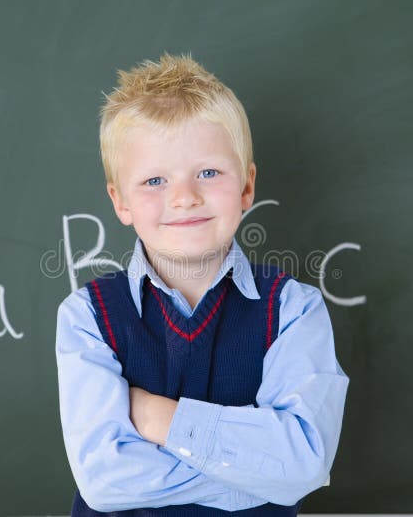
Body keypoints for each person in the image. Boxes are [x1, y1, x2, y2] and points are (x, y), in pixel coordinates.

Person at [55, 53, 349, 516]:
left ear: (247, 187)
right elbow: (105, 480)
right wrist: (259, 476)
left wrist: (159, 418)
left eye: (208, 173)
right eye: (154, 180)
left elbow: (304, 461)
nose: (184, 196)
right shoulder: (86, 316)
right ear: (121, 202)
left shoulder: (294, 310)